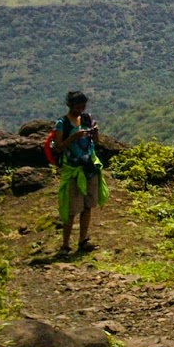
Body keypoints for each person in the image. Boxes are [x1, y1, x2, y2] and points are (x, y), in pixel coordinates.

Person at [53, 89, 109, 254]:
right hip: (73, 169)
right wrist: (73, 138)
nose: (81, 109)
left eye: (83, 106)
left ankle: (83, 240)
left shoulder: (86, 119)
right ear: (70, 105)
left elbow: (96, 142)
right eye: (78, 106)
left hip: (89, 167)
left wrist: (95, 132)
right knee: (71, 208)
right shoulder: (62, 123)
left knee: (87, 206)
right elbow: (58, 148)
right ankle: (65, 244)